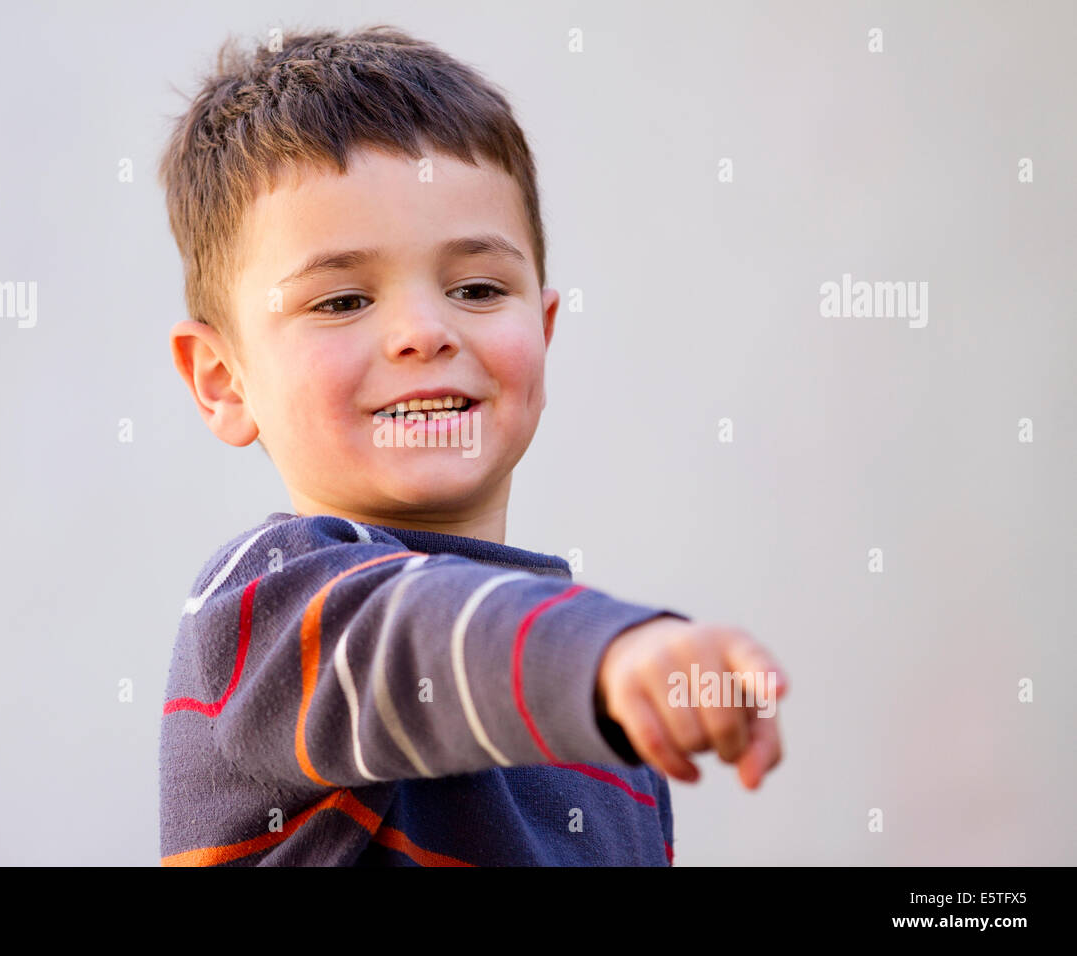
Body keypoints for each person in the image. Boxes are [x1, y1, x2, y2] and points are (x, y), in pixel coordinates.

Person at [157, 24, 788, 866]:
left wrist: (600, 667)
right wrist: (603, 657)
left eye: (479, 288)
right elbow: (410, 641)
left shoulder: (612, 736)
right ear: (222, 380)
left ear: (545, 329)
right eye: (342, 301)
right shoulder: (261, 615)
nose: (423, 331)